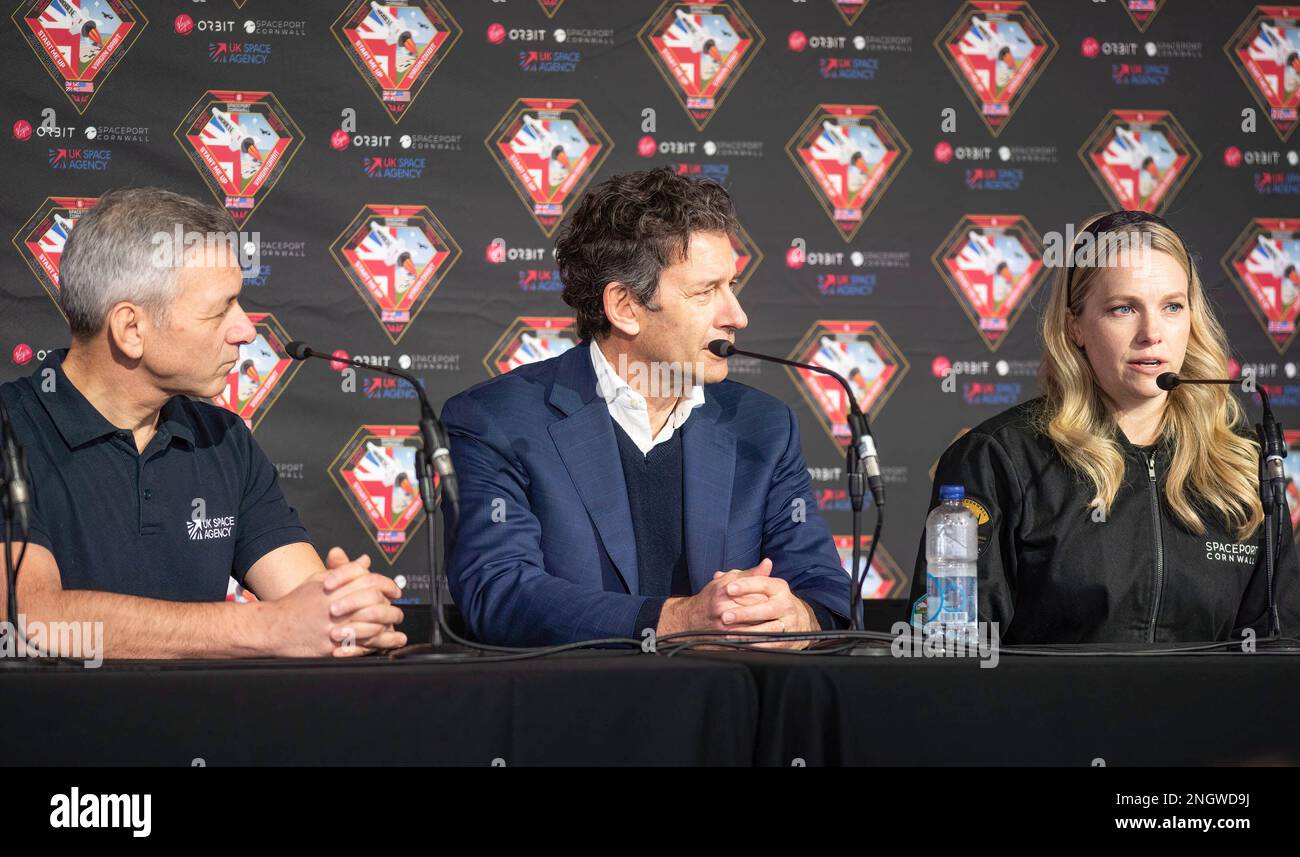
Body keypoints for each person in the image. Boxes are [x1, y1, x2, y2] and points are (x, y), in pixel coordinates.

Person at [442, 168, 850, 647]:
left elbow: (826, 593)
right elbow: (500, 595)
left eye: (732, 286)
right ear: (625, 307)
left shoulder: (762, 427)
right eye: (705, 291)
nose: (737, 316)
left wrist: (794, 617)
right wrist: (678, 620)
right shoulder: (498, 421)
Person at [0, 188, 406, 658]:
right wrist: (265, 628)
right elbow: (31, 621)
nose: (246, 330)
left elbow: (307, 603)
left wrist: (350, 615)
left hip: (212, 730)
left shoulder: (224, 438)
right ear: (131, 330)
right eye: (220, 310)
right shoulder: (12, 431)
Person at [912, 210, 1300, 644]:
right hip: (1044, 713)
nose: (1152, 332)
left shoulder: (1243, 464)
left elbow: (1278, 648)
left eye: (1172, 306)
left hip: (1208, 713)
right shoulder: (998, 459)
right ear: (1075, 325)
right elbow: (949, 649)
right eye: (1123, 308)